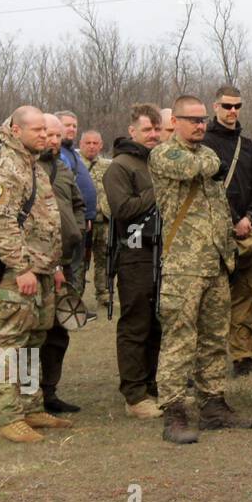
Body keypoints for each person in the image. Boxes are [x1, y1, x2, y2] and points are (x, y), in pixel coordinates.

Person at [149, 95, 252, 443]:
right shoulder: (164, 154)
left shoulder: (207, 152)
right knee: (179, 339)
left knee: (213, 339)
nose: (200, 126)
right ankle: (175, 411)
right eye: (192, 120)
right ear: (174, 122)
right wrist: (211, 162)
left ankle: (213, 404)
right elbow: (194, 168)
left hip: (215, 263)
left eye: (202, 120)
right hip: (184, 266)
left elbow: (213, 168)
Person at [0, 106, 68, 443]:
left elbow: (45, 222)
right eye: (37, 131)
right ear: (16, 130)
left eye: (47, 131)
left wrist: (54, 267)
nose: (44, 136)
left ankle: (31, 407)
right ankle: (9, 415)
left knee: (35, 340)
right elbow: (0, 224)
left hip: (42, 269)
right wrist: (21, 268)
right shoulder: (3, 168)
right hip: (17, 272)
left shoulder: (34, 165)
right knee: (11, 342)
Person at [199, 86, 252, 378]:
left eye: (237, 106)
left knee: (247, 295)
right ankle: (205, 361)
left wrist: (250, 217)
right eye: (227, 106)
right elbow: (207, 191)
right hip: (215, 234)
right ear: (215, 107)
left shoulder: (248, 146)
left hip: (246, 232)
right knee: (213, 300)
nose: (232, 111)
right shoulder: (203, 143)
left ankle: (243, 357)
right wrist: (233, 219)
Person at [103, 104, 164, 419]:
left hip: (161, 253)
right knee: (136, 324)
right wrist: (159, 191)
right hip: (135, 253)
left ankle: (153, 386)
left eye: (157, 129)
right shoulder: (121, 166)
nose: (153, 135)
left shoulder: (158, 161)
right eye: (147, 130)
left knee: (158, 322)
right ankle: (134, 394)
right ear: (132, 131)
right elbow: (123, 210)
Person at [38, 113, 88, 414]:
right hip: (39, 265)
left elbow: (78, 204)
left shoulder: (63, 168)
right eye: (48, 134)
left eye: (58, 136)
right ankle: (28, 397)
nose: (54, 140)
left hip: (66, 262)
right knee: (34, 332)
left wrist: (77, 231)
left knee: (59, 331)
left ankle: (49, 391)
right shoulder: (28, 169)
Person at [55, 110, 97, 298]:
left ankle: (74, 302)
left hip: (81, 218)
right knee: (70, 263)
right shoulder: (59, 154)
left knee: (79, 263)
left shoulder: (71, 152)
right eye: (67, 125)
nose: (72, 129)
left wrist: (87, 216)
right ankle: (68, 303)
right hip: (69, 220)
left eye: (74, 125)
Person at [78, 129, 111, 311]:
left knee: (104, 259)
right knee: (81, 261)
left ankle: (104, 294)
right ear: (80, 145)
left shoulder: (108, 166)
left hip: (104, 221)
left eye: (95, 143)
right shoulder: (73, 166)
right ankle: (76, 295)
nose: (91, 147)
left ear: (101, 145)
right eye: (87, 143)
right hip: (83, 222)